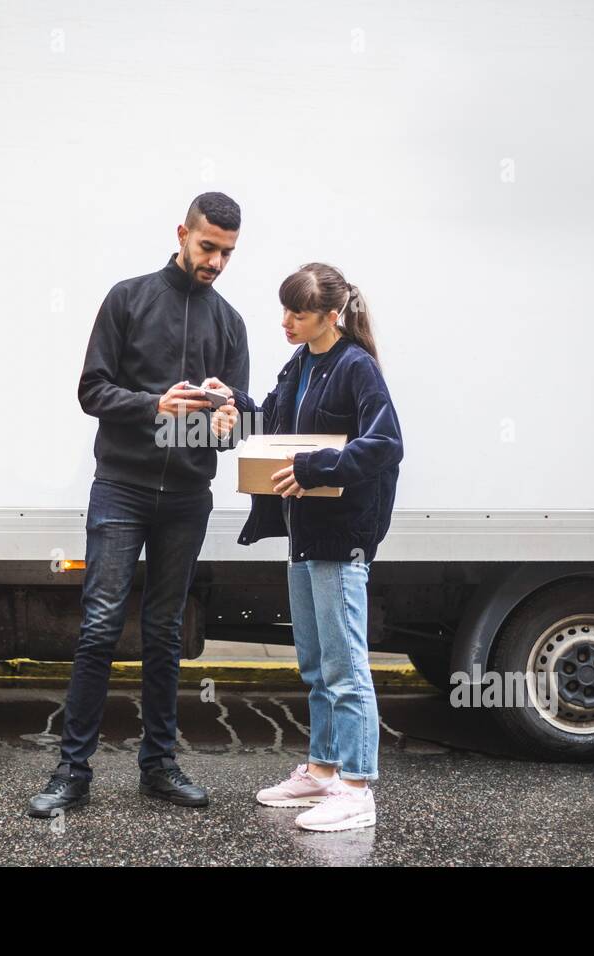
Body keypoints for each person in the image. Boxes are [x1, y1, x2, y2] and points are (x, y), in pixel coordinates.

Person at [28, 193, 249, 818]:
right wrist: (155, 404)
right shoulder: (128, 298)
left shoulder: (230, 322)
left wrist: (231, 417)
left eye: (227, 253)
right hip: (121, 487)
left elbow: (237, 424)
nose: (215, 262)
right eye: (208, 247)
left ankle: (159, 766)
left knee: (163, 632)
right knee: (99, 626)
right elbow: (91, 390)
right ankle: (72, 772)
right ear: (183, 233)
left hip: (186, 497)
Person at [204, 262, 402, 832]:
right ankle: (321, 771)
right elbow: (272, 422)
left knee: (346, 670)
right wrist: (232, 401)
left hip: (341, 540)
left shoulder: (355, 368)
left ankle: (357, 789)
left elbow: (385, 444)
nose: (286, 321)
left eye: (299, 312)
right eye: (286, 309)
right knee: (316, 667)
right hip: (304, 536)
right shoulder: (302, 363)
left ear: (330, 316)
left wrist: (315, 467)